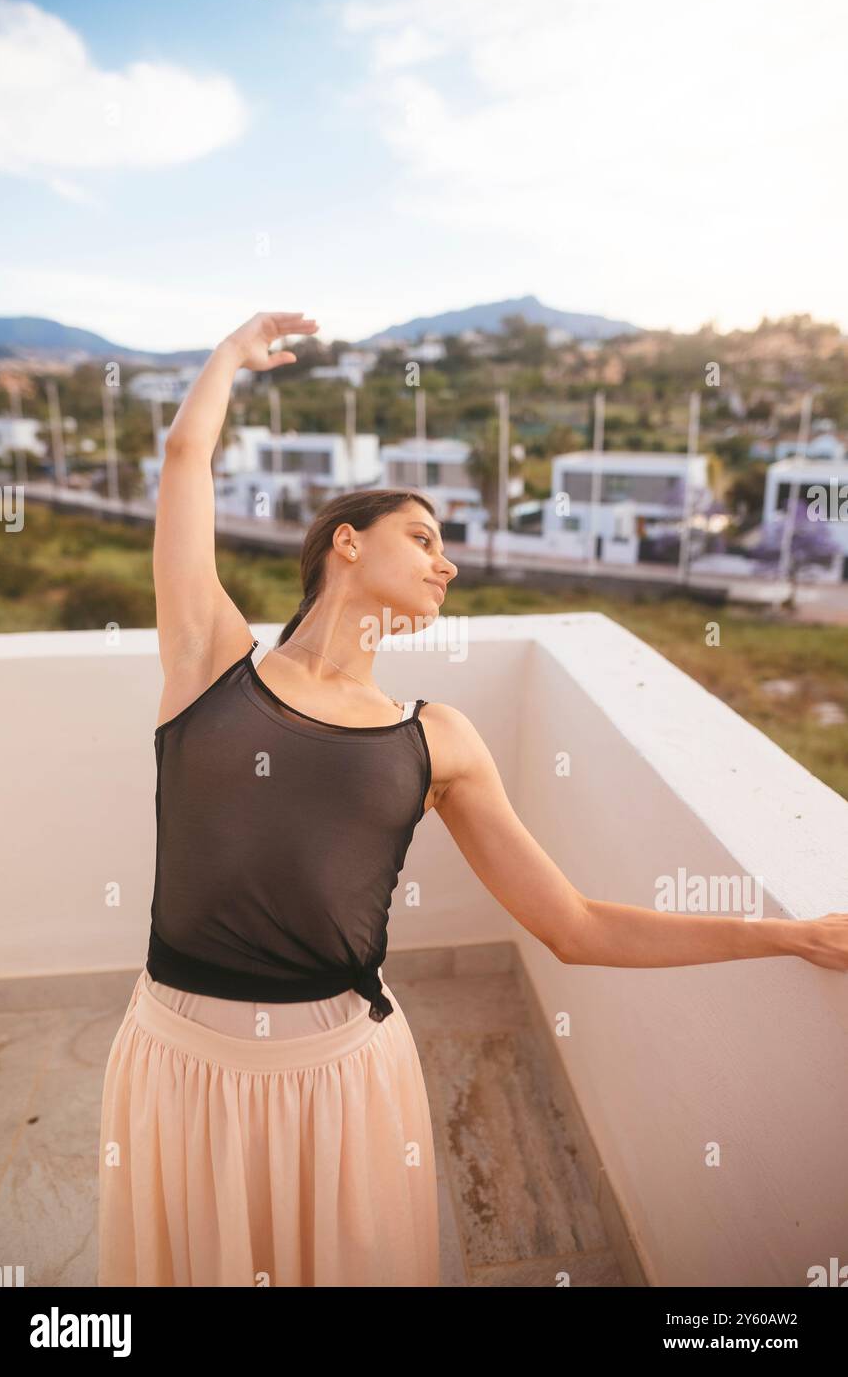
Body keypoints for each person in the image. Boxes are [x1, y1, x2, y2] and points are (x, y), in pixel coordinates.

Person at [97, 311, 848, 1289]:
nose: (444, 561)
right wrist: (231, 356)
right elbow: (186, 461)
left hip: (342, 1080)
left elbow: (573, 925)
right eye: (421, 536)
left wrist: (784, 935)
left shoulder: (436, 737)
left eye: (446, 547)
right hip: (177, 1063)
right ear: (345, 542)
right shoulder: (209, 661)